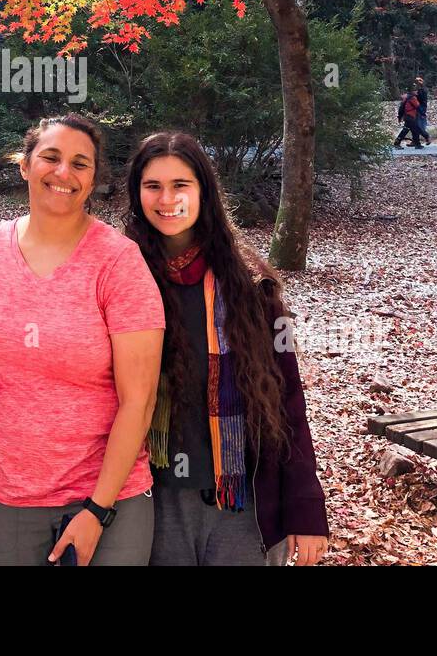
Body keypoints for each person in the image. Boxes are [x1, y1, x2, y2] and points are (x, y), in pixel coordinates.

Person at [0, 115, 164, 566]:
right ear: (25, 165)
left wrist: (97, 510)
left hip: (111, 496)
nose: (63, 173)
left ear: (93, 179)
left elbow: (139, 400)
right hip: (7, 491)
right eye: (50, 157)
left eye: (80, 164)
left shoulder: (118, 262)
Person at [125, 132, 329, 566]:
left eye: (181, 185)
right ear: (136, 193)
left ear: (204, 191)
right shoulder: (121, 278)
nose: (167, 199)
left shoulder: (252, 284)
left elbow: (289, 399)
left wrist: (306, 509)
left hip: (243, 501)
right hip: (151, 497)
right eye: (153, 186)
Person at [394, 84, 426, 149]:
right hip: (411, 116)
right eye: (416, 90)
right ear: (412, 91)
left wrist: (400, 116)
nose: (417, 92)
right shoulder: (413, 98)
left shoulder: (406, 97)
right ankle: (397, 143)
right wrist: (423, 114)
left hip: (407, 116)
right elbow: (418, 107)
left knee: (412, 130)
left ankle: (417, 144)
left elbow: (401, 108)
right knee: (413, 129)